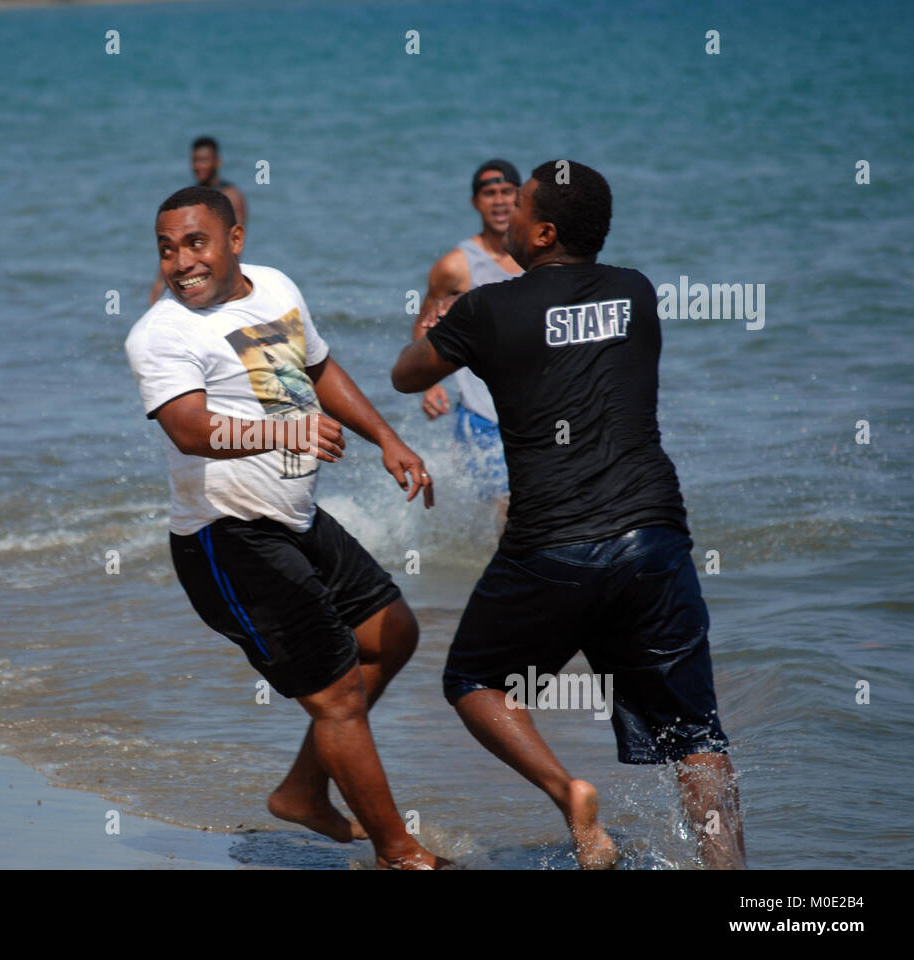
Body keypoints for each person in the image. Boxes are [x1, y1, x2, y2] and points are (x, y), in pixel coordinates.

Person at [392, 160, 745, 869]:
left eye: (519, 209)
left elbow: (408, 375)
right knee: (698, 735)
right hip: (654, 539)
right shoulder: (637, 293)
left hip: (551, 545)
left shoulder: (488, 310)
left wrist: (435, 326)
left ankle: (568, 790)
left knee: (472, 681)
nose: (507, 220)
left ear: (545, 231)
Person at [126, 186, 449, 869]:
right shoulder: (160, 333)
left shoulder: (275, 287)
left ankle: (303, 791)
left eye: (195, 243)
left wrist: (387, 439)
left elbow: (319, 367)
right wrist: (289, 428)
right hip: (226, 539)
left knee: (392, 634)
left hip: (295, 520)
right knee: (336, 699)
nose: (181, 262)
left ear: (234, 240)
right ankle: (399, 854)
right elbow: (188, 431)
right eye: (167, 248)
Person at [412, 159, 523, 526]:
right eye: (489, 194)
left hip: (531, 408)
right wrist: (428, 383)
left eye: (507, 192)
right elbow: (425, 326)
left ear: (520, 199)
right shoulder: (455, 266)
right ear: (476, 202)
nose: (500, 201)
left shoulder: (537, 259)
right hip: (480, 412)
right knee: (505, 504)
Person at [147, 137, 249, 305]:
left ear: (218, 162)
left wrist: (228, 290)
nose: (199, 166)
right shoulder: (188, 198)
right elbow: (174, 245)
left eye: (204, 160)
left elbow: (231, 247)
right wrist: (158, 283)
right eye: (195, 161)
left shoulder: (231, 196)